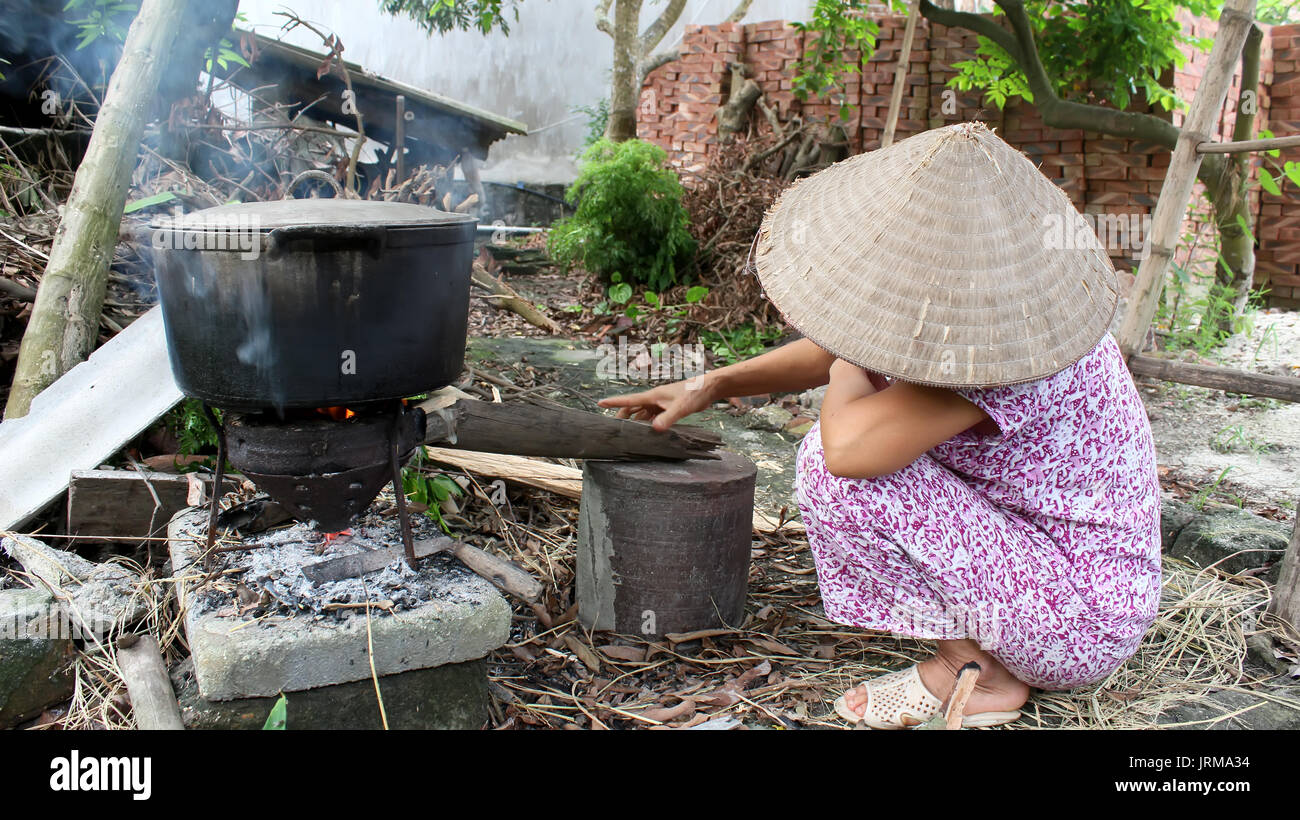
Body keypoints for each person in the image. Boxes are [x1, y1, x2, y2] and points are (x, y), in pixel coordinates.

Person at [598, 122, 1161, 729]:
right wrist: (711, 384)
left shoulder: (1009, 352)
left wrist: (845, 371)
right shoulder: (993, 306)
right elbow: (850, 345)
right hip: (1054, 573)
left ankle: (977, 670)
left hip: (1076, 618)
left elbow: (848, 449)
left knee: (830, 468)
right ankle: (985, 646)